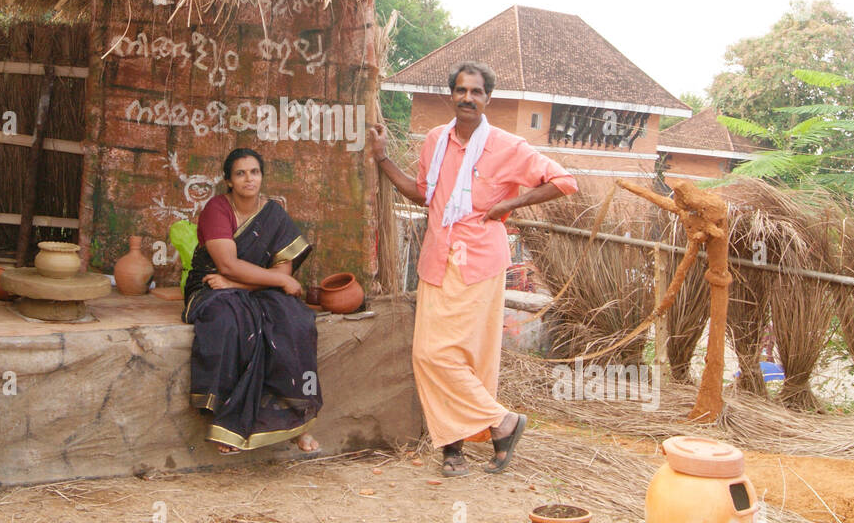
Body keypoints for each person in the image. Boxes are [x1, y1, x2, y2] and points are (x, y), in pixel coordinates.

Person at [370, 62, 578, 477]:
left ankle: (461, 445)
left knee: (467, 357)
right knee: (429, 354)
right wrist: (383, 160)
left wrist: (509, 205)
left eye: (476, 92)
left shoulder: (507, 146)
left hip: (479, 261)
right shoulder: (436, 140)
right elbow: (424, 195)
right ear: (452, 95)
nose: (467, 98)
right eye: (461, 90)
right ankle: (492, 428)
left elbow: (564, 181)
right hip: (437, 258)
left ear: (488, 99)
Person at [182, 148, 321, 454]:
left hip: (247, 286)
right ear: (228, 180)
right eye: (240, 173)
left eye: (254, 172)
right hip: (212, 285)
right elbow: (227, 265)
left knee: (297, 322)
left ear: (262, 176)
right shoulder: (216, 209)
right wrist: (273, 281)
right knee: (230, 322)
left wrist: (238, 283)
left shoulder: (273, 214)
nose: (249, 179)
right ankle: (227, 423)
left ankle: (298, 422)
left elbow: (281, 268)